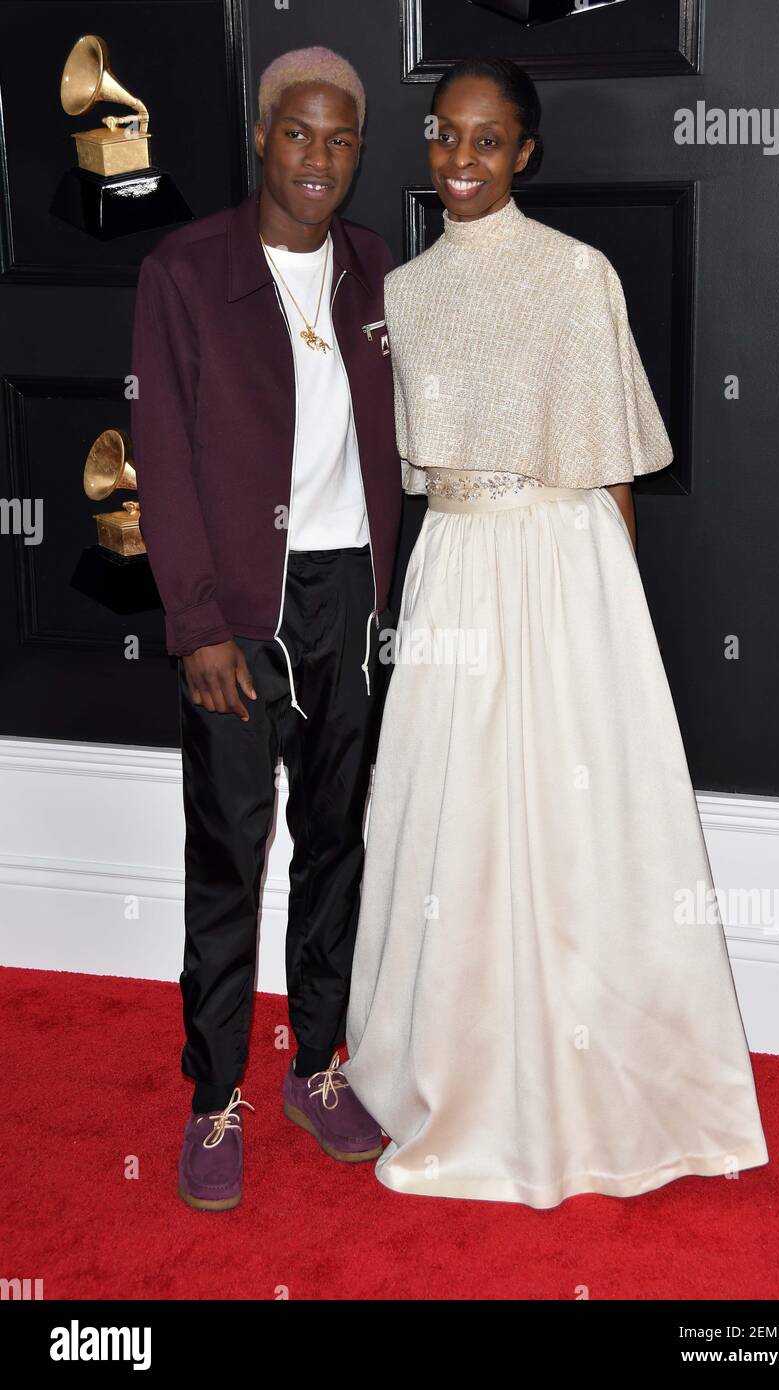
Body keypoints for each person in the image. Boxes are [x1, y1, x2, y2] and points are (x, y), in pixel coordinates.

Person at [344, 57, 770, 1208]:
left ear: (525, 152)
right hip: (455, 567)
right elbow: (409, 472)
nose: (463, 160)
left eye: (489, 141)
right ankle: (449, 1067)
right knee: (451, 822)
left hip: (564, 566)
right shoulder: (406, 292)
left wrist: (611, 634)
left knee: (581, 818)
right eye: (446, 136)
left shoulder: (579, 276)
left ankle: (608, 1083)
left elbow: (610, 477)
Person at [130, 47, 402, 1211]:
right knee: (229, 856)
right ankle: (213, 1095)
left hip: (350, 597)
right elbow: (161, 465)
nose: (319, 159)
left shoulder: (376, 270)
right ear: (259, 135)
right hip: (240, 607)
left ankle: (318, 1067)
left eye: (340, 139)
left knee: (337, 843)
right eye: (298, 133)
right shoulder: (185, 271)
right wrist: (196, 624)